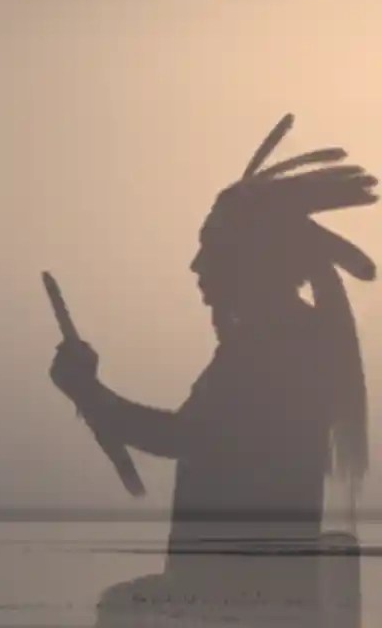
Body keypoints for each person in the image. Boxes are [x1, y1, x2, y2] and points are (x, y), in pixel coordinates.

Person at [48, 114, 374, 626]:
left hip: (241, 599)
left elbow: (188, 437)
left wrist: (90, 394)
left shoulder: (278, 347)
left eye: (213, 250)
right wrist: (90, 396)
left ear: (252, 260)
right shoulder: (281, 342)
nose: (196, 266)